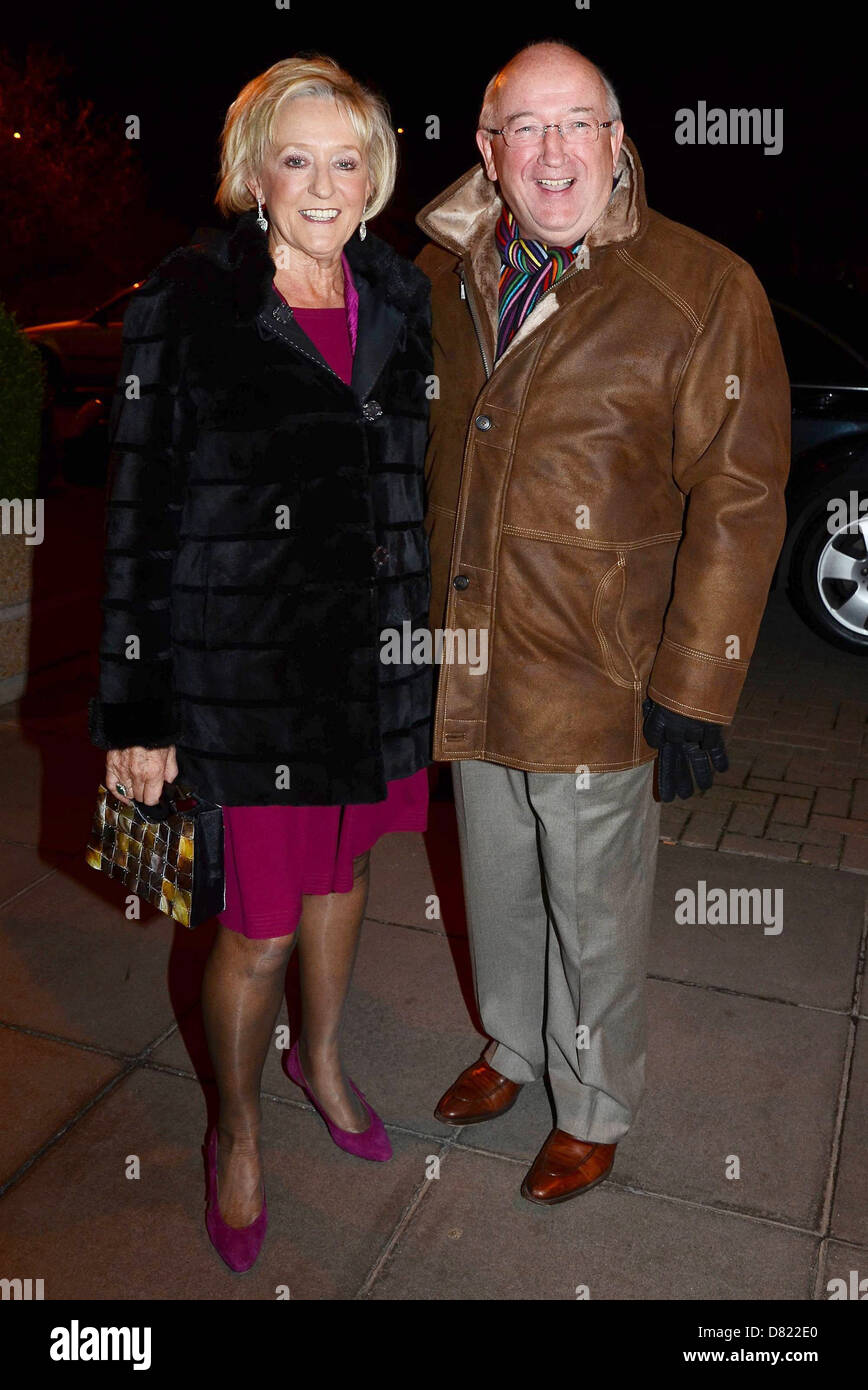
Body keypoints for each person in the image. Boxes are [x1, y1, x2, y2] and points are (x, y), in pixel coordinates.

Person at [415, 40, 790, 1204]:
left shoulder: (701, 284)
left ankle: (594, 1099)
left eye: (578, 123)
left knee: (593, 911)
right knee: (497, 880)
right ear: (487, 150)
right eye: (524, 127)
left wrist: (693, 683)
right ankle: (516, 1049)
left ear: (619, 142)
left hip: (599, 669)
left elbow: (740, 494)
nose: (553, 151)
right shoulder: (444, 271)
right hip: (471, 655)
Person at [88, 54, 433, 1270]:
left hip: (369, 673)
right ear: (255, 172)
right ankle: (233, 1132)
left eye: (349, 159)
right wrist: (136, 704)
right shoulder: (188, 305)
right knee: (260, 927)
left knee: (346, 885)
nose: (325, 183)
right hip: (245, 683)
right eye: (299, 157)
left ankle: (322, 1061)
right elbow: (139, 512)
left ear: (376, 174)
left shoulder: (400, 297)